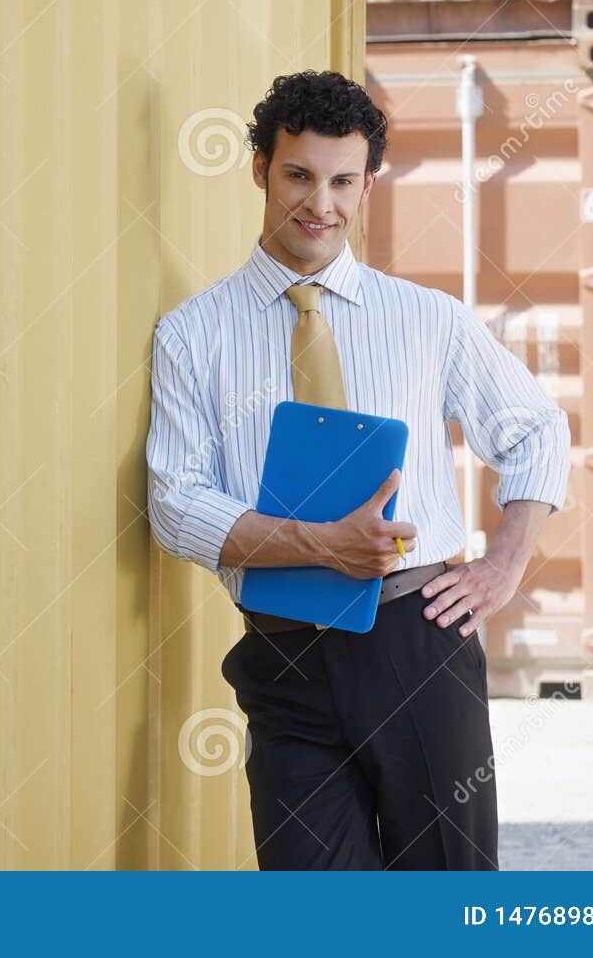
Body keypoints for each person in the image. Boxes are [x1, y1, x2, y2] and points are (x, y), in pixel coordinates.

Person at [145, 70, 570, 870]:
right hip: (283, 657)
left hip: (418, 640)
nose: (321, 205)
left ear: (368, 181)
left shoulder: (427, 320)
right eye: (299, 175)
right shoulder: (192, 334)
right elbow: (174, 503)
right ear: (260, 169)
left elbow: (538, 431)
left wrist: (504, 566)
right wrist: (318, 545)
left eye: (344, 181)